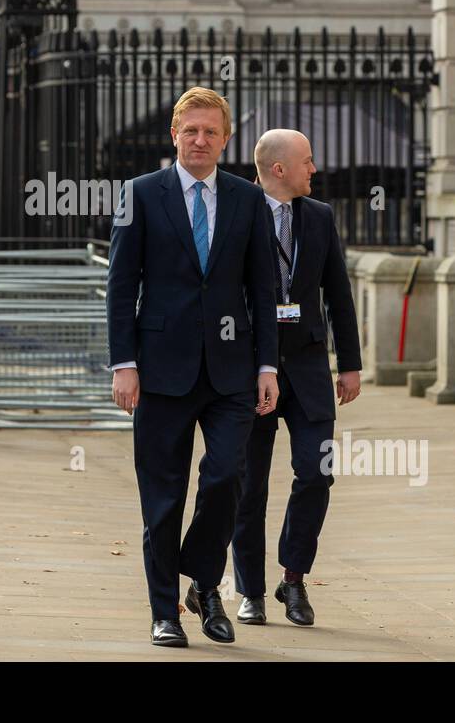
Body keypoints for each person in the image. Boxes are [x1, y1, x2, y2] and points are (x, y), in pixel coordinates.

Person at [106, 86, 279, 649]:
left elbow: (263, 288)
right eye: (190, 131)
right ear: (174, 136)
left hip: (232, 370)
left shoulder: (247, 200)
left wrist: (268, 366)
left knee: (228, 477)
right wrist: (124, 364)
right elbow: (120, 286)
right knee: (162, 497)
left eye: (210, 132)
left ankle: (203, 583)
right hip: (159, 370)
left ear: (226, 140)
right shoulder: (141, 194)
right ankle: (165, 612)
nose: (199, 140)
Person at [230, 129, 361, 629]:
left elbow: (339, 295)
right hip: (248, 369)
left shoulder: (320, 217)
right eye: (307, 161)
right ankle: (250, 590)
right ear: (279, 168)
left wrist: (349, 363)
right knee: (249, 485)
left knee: (316, 472)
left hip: (308, 370)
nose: (314, 169)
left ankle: (294, 578)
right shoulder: (238, 210)